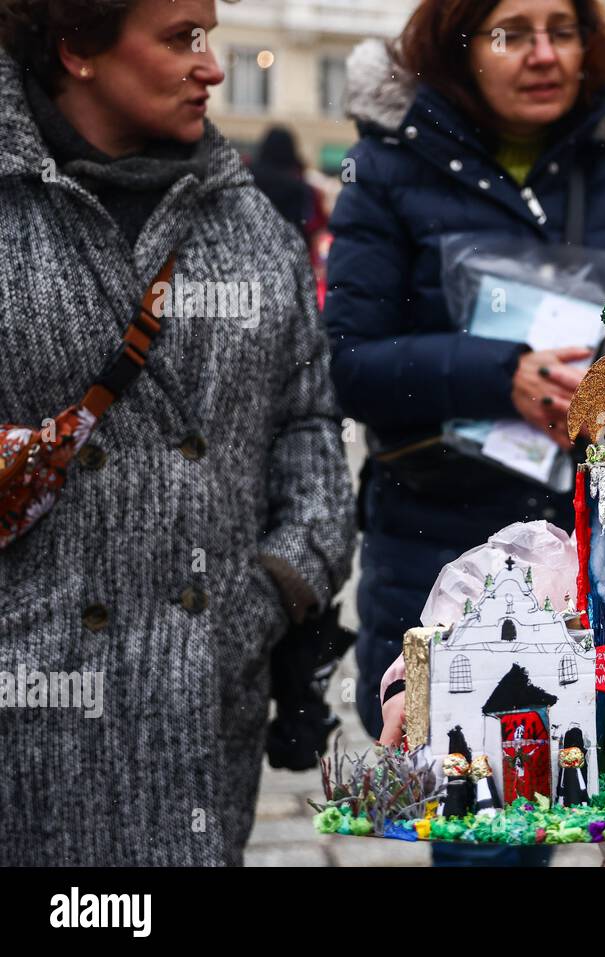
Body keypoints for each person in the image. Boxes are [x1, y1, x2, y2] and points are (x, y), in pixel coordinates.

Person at [324, 0, 605, 865]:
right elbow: (349, 361)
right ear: (462, 45)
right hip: (448, 548)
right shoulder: (387, 166)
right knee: (484, 804)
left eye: (562, 30)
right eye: (511, 31)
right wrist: (502, 373)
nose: (543, 54)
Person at [0, 0, 355, 865]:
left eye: (208, 34)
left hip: (200, 700)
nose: (211, 64)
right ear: (80, 45)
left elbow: (308, 426)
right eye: (180, 39)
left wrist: (272, 588)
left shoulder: (249, 225)